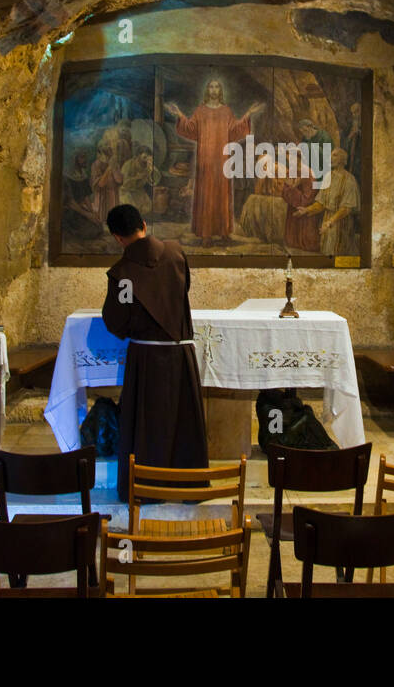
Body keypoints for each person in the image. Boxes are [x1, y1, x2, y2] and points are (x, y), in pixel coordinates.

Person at [101, 203, 209, 502]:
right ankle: (188, 485)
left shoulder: (122, 273)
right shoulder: (176, 253)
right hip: (180, 353)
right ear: (144, 225)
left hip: (147, 360)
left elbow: (116, 322)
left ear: (117, 237)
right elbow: (182, 289)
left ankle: (147, 489)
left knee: (147, 425)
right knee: (182, 422)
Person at [166, 79, 262, 248]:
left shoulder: (226, 111)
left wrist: (248, 114)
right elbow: (190, 128)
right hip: (205, 160)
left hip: (222, 160)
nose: (214, 89)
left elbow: (235, 130)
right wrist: (180, 115)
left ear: (220, 90)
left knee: (222, 195)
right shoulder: (200, 111)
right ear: (207, 90)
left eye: (217, 86)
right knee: (206, 195)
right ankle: (206, 235)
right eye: (211, 86)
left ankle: (224, 232)